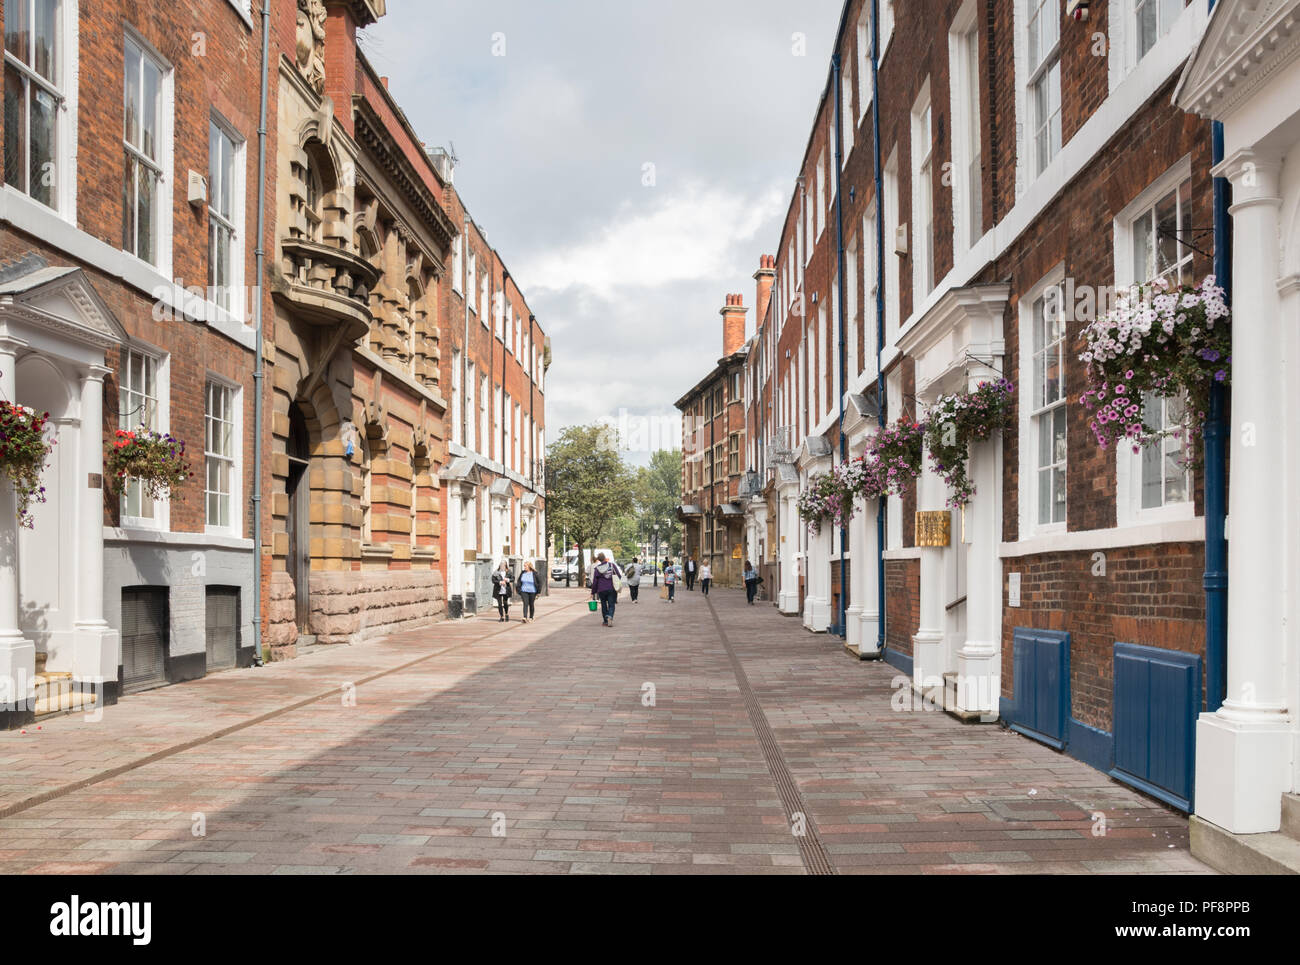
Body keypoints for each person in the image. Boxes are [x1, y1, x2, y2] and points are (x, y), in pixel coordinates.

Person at [589, 552, 622, 627]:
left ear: (599, 560)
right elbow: (619, 575)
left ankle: (605, 621)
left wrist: (593, 592)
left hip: (601, 589)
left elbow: (595, 582)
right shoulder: (611, 565)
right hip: (611, 588)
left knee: (603, 605)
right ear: (604, 558)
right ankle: (610, 616)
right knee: (611, 604)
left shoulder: (597, 569)